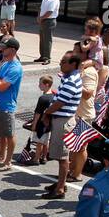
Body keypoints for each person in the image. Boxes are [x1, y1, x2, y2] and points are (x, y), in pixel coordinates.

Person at [43, 52, 84, 198]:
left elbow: (60, 102)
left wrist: (46, 113)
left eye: (64, 62)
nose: (61, 64)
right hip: (62, 120)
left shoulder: (72, 81)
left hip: (63, 121)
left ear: (73, 64)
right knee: (61, 156)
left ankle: (60, 188)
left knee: (62, 157)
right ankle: (62, 182)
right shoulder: (69, 78)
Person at [0, 37, 24, 174]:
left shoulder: (16, 68)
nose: (2, 49)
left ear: (13, 50)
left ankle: (8, 162)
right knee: (1, 134)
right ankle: (0, 157)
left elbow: (2, 86)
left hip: (7, 106)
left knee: (10, 134)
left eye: (5, 47)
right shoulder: (4, 64)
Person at [35, 0, 59, 64]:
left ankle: (47, 58)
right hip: (43, 20)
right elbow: (41, 8)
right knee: (42, 39)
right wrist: (39, 17)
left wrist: (41, 18)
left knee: (47, 40)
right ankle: (42, 56)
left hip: (49, 21)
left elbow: (50, 12)